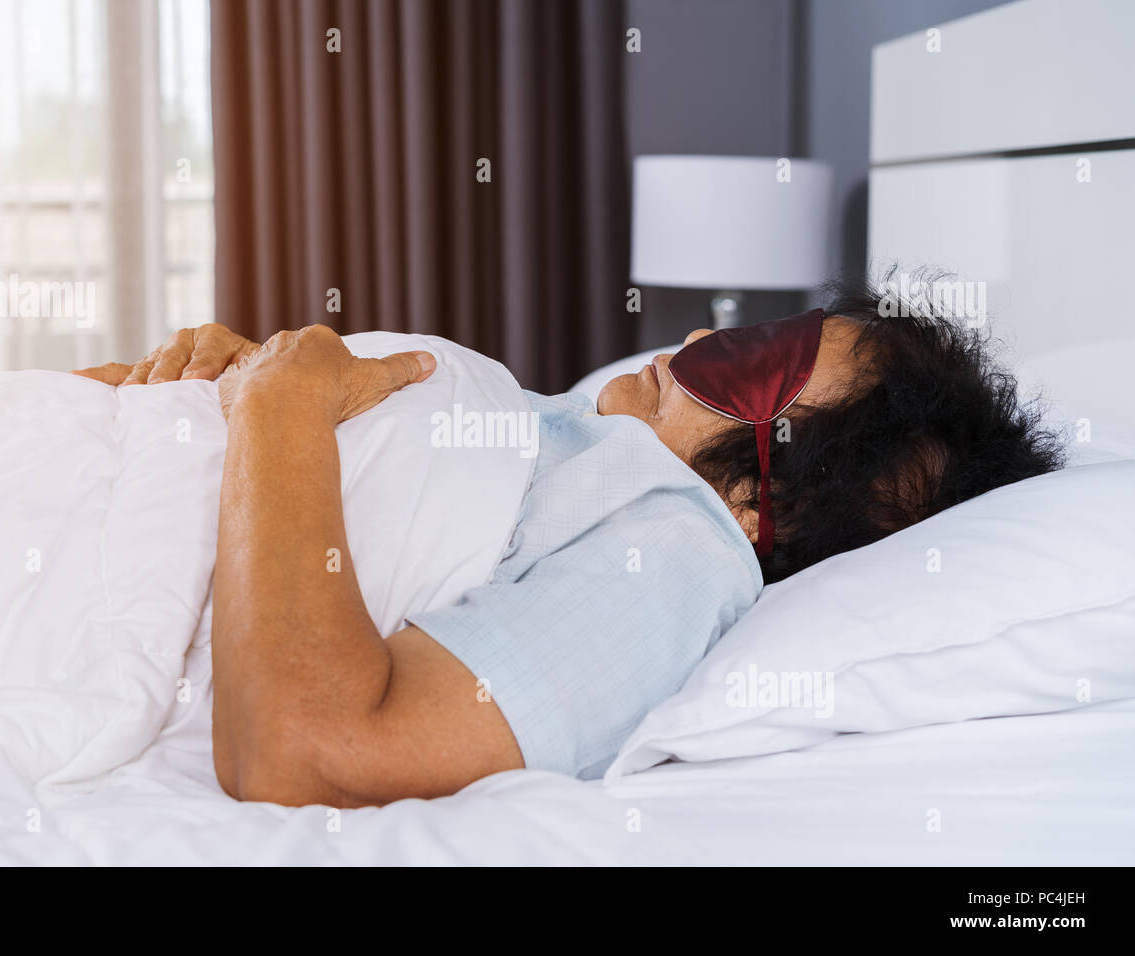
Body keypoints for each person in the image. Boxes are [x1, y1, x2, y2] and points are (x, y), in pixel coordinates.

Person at [74, 278, 1064, 806]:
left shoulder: (677, 550)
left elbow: (308, 753)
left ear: (772, 508)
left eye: (741, 363)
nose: (678, 350)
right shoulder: (584, 437)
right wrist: (210, 385)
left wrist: (281, 405)